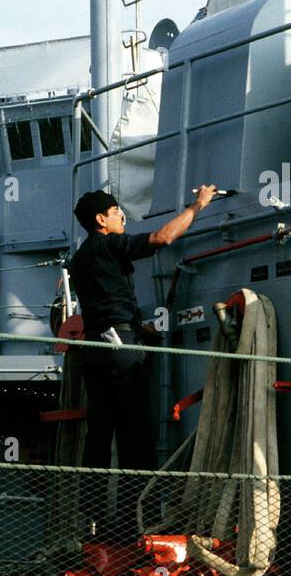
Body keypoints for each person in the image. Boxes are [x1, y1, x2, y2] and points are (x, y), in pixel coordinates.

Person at [65, 185, 216, 537]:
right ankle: (140, 520)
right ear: (101, 219)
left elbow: (103, 303)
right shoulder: (110, 243)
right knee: (137, 437)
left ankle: (96, 520)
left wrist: (138, 326)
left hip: (98, 347)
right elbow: (162, 238)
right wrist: (198, 205)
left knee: (100, 435)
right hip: (122, 350)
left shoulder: (82, 256)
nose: (122, 216)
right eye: (117, 212)